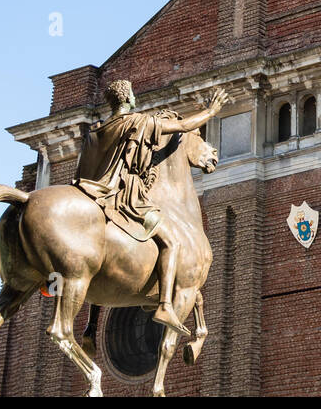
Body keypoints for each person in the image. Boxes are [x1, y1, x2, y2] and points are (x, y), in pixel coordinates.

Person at [74, 79, 228, 336]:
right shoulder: (137, 122)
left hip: (93, 197)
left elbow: (81, 173)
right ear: (128, 99)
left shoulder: (94, 131)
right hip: (127, 198)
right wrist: (211, 112)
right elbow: (181, 126)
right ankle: (165, 305)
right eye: (133, 95)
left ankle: (90, 327)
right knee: (171, 242)